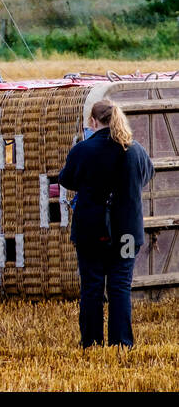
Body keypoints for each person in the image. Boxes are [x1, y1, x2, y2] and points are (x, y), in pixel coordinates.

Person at [58, 99, 152, 348]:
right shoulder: (135, 149)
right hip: (127, 232)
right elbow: (148, 174)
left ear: (93, 121)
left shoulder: (83, 149)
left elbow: (66, 179)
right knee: (120, 285)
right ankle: (122, 342)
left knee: (92, 286)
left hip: (92, 230)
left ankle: (91, 341)